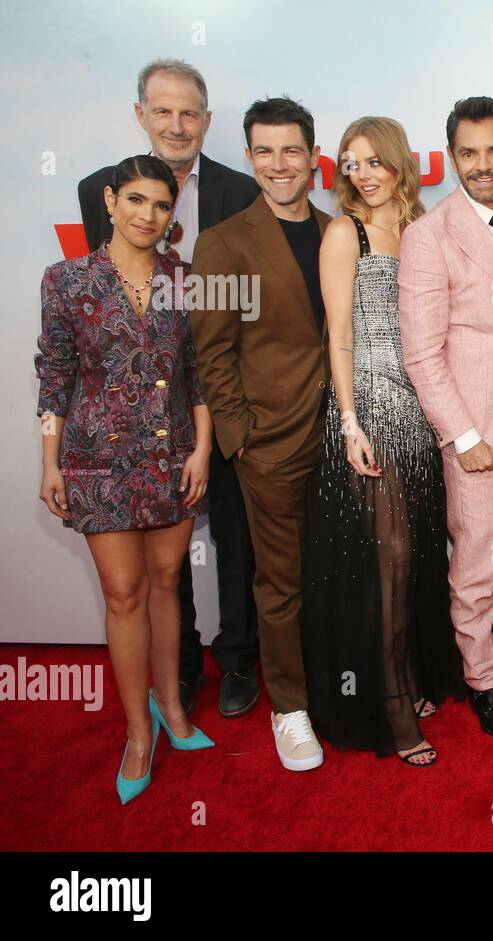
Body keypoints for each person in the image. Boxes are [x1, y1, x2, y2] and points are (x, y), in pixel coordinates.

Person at [77, 58, 261, 717]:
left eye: (189, 113)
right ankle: (178, 665)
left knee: (237, 537)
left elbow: (248, 303)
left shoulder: (242, 192)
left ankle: (239, 658)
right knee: (163, 553)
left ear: (207, 121)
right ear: (140, 116)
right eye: (163, 111)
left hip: (224, 391)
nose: (177, 125)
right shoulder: (99, 188)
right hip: (142, 410)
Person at [38, 155, 215, 804]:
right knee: (123, 592)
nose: (148, 215)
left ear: (173, 215)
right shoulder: (68, 280)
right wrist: (48, 459)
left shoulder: (185, 280)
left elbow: (197, 373)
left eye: (162, 205)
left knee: (168, 580)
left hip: (173, 458)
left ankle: (172, 707)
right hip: (96, 461)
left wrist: (202, 450)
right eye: (136, 200)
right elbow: (54, 375)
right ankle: (138, 732)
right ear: (110, 200)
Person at [300, 117, 467, 766]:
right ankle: (391, 702)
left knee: (422, 550)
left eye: (374, 161)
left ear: (400, 164)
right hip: (369, 407)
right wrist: (347, 421)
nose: (363, 174)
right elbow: (337, 335)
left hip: (421, 410)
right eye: (351, 163)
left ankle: (416, 673)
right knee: (390, 556)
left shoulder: (425, 233)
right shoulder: (347, 232)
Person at [398, 97, 493, 743]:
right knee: (476, 564)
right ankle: (482, 678)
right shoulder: (428, 235)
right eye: (469, 152)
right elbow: (422, 353)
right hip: (477, 437)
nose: (483, 165)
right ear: (452, 156)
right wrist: (463, 436)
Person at [189, 97, 332, 772]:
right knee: (279, 582)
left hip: (340, 439)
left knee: (332, 573)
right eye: (265, 151)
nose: (280, 164)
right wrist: (240, 436)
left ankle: (332, 684)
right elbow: (211, 354)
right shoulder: (223, 241)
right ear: (249, 157)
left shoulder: (337, 232)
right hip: (268, 445)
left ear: (313, 156)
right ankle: (290, 707)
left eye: (292, 150)